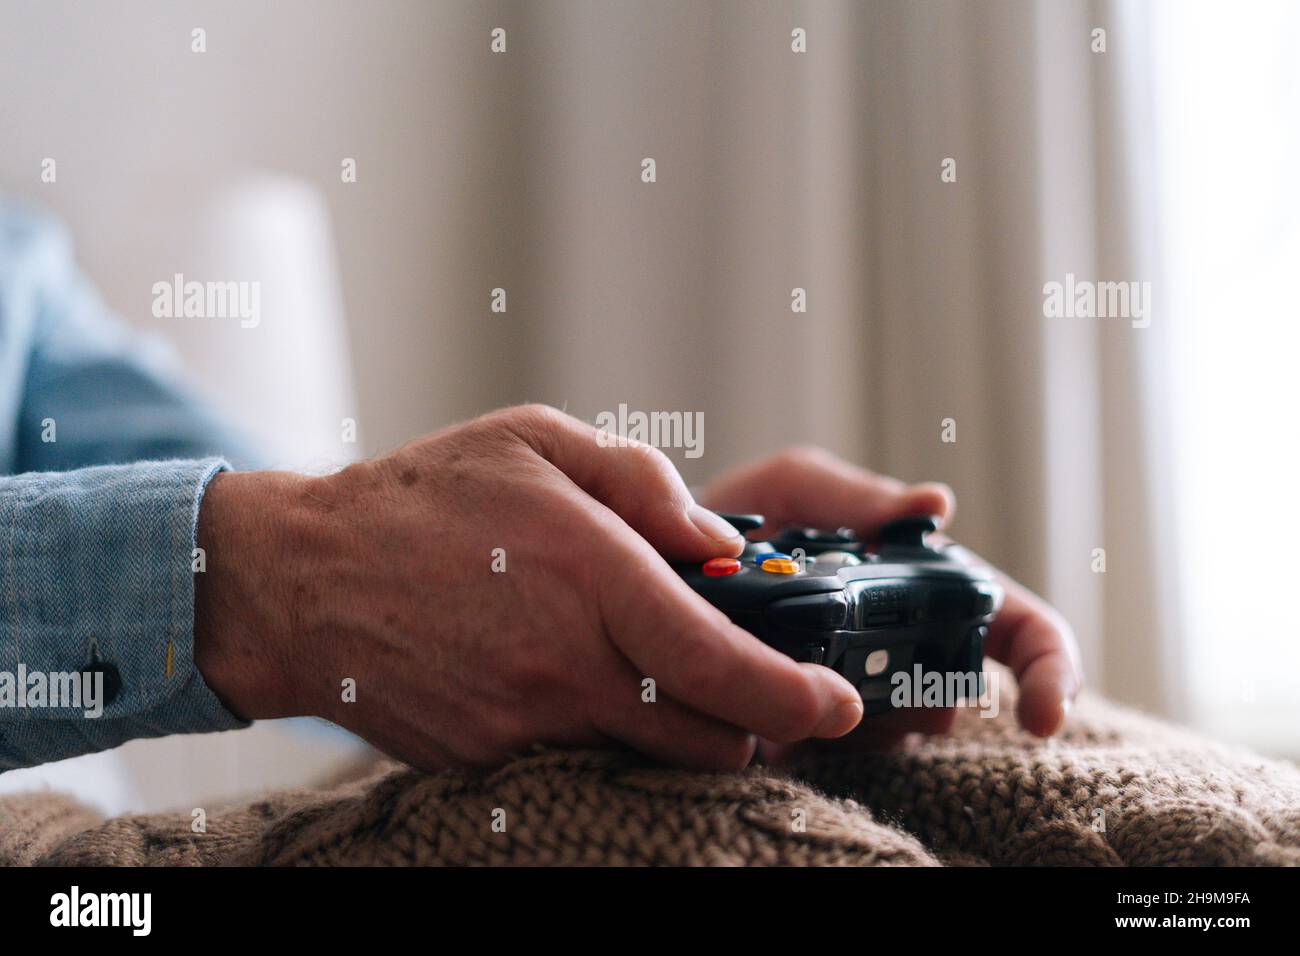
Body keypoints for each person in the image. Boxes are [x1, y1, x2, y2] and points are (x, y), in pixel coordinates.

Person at [0, 199, 1081, 773]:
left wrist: (640, 560)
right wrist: (282, 586)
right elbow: (304, 558)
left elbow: (375, 572)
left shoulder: (24, 275)